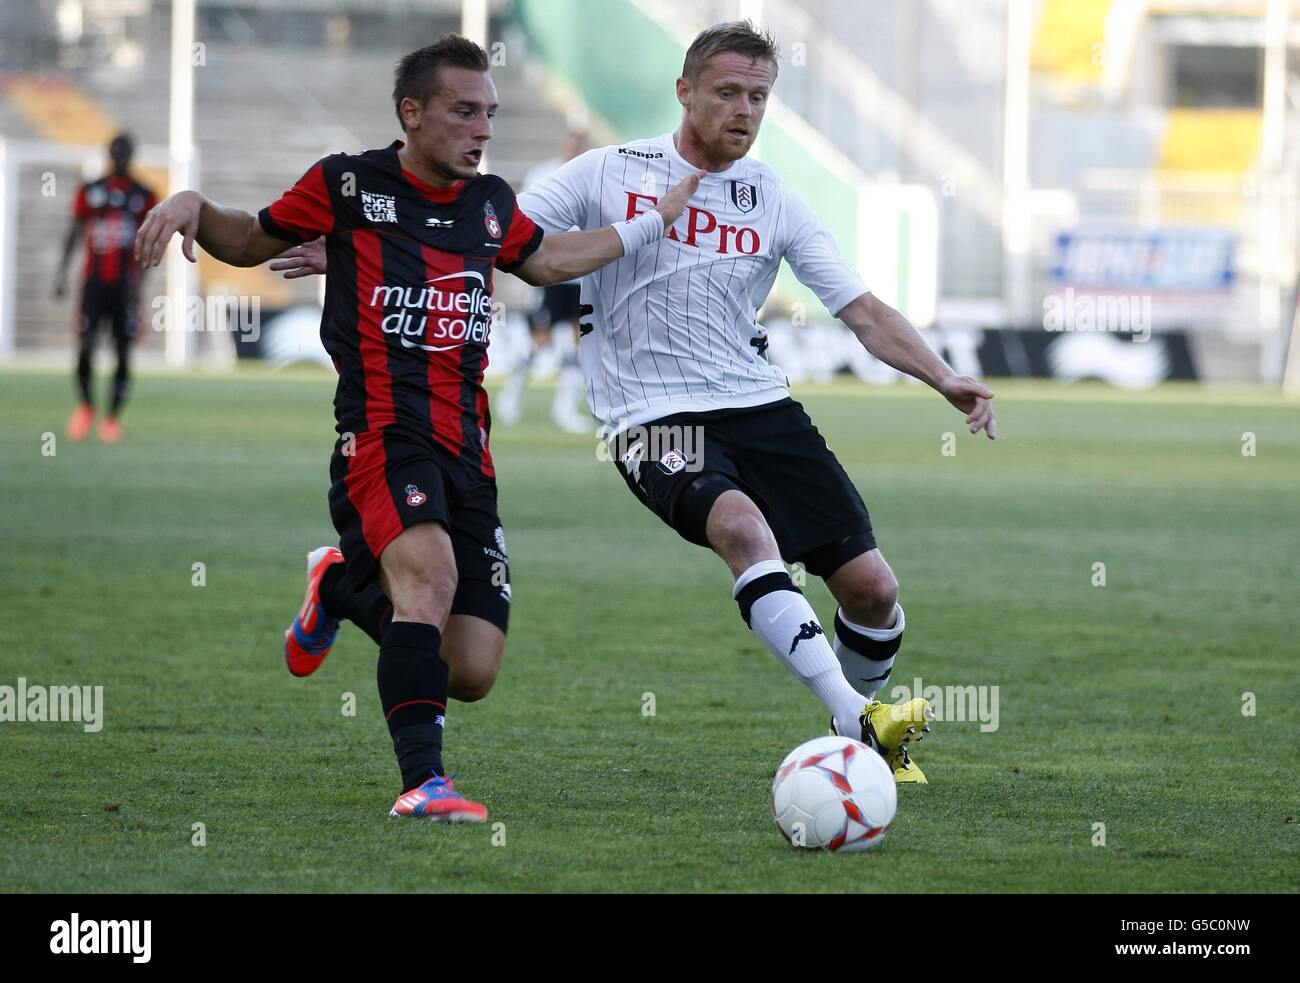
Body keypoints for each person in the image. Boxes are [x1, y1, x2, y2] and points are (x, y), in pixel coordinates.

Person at [134, 35, 702, 820]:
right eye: (464, 112)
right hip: (380, 433)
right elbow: (247, 237)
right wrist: (194, 206)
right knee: (430, 580)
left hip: (467, 445)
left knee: (470, 667)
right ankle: (424, 783)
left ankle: (338, 583)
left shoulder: (491, 202)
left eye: (490, 113)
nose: (483, 130)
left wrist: (652, 222)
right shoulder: (346, 184)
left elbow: (549, 260)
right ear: (412, 113)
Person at [514, 21, 998, 783]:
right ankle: (858, 720)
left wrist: (944, 376)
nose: (745, 110)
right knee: (742, 527)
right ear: (685, 91)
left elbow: (863, 311)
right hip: (648, 417)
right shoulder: (610, 170)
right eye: (728, 92)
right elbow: (511, 239)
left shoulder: (770, 195)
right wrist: (639, 227)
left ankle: (853, 740)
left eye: (759, 97)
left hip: (759, 405)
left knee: (873, 590)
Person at [56, 133, 157, 443]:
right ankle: (87, 407)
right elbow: (74, 232)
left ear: (133, 155)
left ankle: (112, 418)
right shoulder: (91, 191)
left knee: (123, 351)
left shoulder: (144, 194)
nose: (121, 157)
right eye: (117, 152)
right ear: (109, 154)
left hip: (125, 288)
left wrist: (141, 283)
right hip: (94, 285)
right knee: (86, 345)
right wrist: (61, 274)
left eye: (126, 152)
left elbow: (150, 241)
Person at [496, 128, 590, 432]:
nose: (575, 149)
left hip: (581, 273)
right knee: (541, 339)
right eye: (572, 143)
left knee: (579, 341)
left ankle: (565, 411)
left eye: (580, 144)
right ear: (564, 144)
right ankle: (511, 397)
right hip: (551, 269)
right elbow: (525, 217)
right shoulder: (544, 174)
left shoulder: (592, 174)